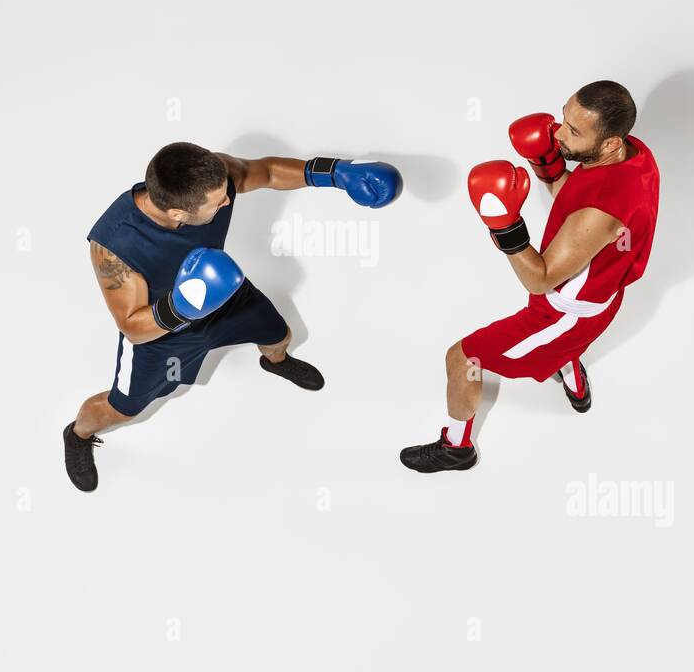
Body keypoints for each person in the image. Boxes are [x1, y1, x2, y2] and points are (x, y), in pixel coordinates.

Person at [67, 142, 402, 491]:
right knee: (124, 408)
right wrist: (182, 306)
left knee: (279, 334)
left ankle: (275, 361)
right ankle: (78, 434)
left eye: (225, 194)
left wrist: (335, 173)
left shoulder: (215, 176)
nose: (227, 200)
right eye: (218, 202)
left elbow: (269, 171)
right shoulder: (115, 244)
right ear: (178, 214)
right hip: (162, 333)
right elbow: (132, 328)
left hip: (225, 296)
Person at [401, 81, 659, 473]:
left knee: (463, 357)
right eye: (564, 119)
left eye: (573, 132)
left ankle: (456, 447)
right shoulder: (633, 154)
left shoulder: (603, 213)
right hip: (592, 297)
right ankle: (569, 368)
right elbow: (577, 197)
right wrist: (549, 164)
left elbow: (539, 279)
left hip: (563, 314)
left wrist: (504, 224)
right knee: (564, 342)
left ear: (608, 143)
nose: (557, 134)